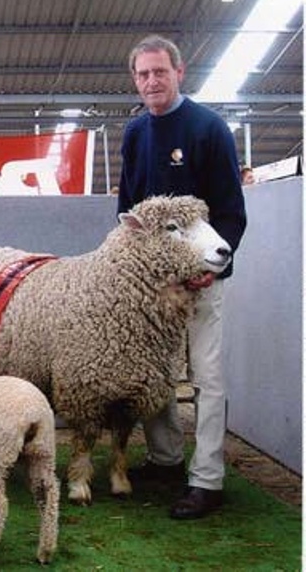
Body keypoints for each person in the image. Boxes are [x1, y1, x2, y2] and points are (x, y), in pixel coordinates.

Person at [118, 35, 247, 520]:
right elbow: (127, 208)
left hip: (202, 280)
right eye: (143, 74)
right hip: (155, 283)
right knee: (155, 371)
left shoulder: (208, 128)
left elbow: (231, 211)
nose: (151, 81)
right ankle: (166, 457)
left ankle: (207, 479)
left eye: (159, 72)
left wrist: (213, 272)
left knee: (207, 376)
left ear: (179, 72)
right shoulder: (134, 134)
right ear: (136, 79)